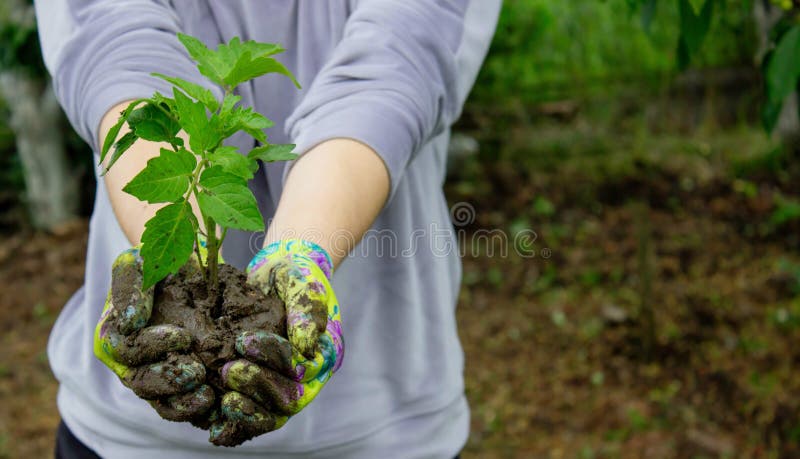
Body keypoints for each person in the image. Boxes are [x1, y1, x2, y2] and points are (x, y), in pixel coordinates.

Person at [35, 1, 500, 457]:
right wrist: (171, 262)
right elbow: (117, 48)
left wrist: (301, 251)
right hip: (127, 438)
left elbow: (396, 68)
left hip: (388, 425)